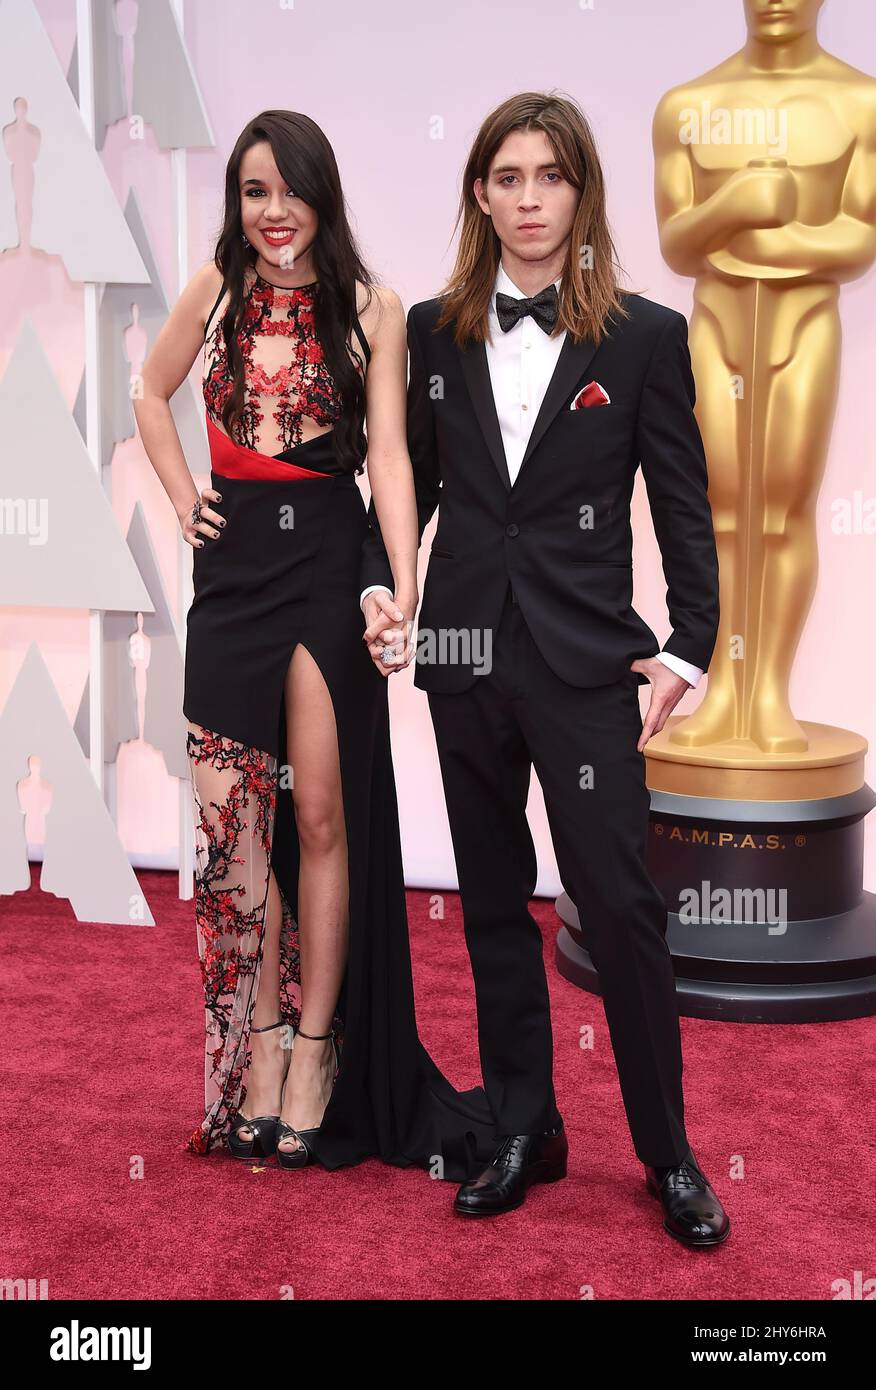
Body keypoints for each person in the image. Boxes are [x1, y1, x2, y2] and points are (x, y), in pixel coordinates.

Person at [361, 91, 730, 1245]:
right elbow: (404, 491)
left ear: (581, 193)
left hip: (584, 669)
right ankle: (527, 1127)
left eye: (550, 177)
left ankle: (669, 1155)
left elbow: (682, 507)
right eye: (508, 177)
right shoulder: (430, 332)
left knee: (620, 908)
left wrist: (686, 647)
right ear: (480, 192)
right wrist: (385, 589)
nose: (529, 199)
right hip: (466, 657)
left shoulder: (646, 337)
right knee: (487, 906)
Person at [134, 109, 495, 1178]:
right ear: (236, 204)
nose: (273, 211)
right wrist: (182, 494)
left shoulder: (370, 309)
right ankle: (257, 1044)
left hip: (332, 571)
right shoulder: (214, 289)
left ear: (322, 197)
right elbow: (149, 392)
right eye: (253, 191)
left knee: (323, 813)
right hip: (234, 577)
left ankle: (318, 1048)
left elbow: (387, 456)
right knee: (233, 825)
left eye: (290, 190)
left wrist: (403, 590)